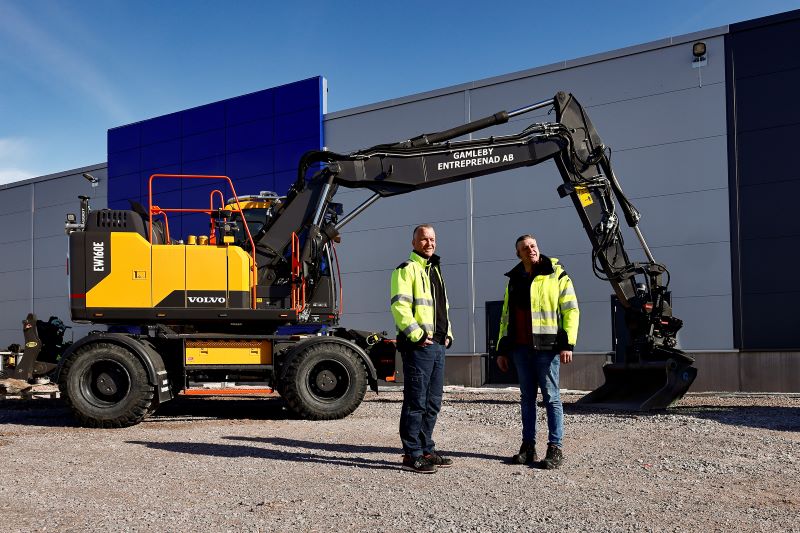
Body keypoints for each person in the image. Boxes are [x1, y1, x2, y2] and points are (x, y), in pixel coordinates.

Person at [496, 234, 579, 469]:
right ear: (518, 254)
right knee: (527, 399)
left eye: (533, 246)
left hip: (547, 348)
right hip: (520, 349)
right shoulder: (514, 279)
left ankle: (555, 448)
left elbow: (571, 310)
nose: (531, 250)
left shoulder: (556, 273)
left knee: (551, 398)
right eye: (525, 248)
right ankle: (528, 447)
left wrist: (567, 344)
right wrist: (502, 349)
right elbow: (505, 317)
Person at [391, 224, 454, 474]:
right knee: (416, 401)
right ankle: (412, 454)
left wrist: (448, 335)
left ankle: (426, 449)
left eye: (432, 239)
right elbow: (400, 307)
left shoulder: (435, 270)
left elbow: (443, 308)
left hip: (437, 345)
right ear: (414, 243)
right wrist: (416, 335)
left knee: (433, 402)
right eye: (424, 239)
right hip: (419, 346)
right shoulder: (406, 269)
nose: (429, 243)